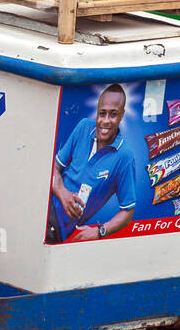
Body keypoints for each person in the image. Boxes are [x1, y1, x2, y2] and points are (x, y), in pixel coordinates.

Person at [46, 83, 143, 243]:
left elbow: (127, 212)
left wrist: (100, 231)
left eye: (113, 114)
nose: (105, 121)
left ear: (122, 115)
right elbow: (54, 168)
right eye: (102, 113)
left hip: (57, 228)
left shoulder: (124, 156)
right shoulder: (84, 127)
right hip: (42, 203)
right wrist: (62, 193)